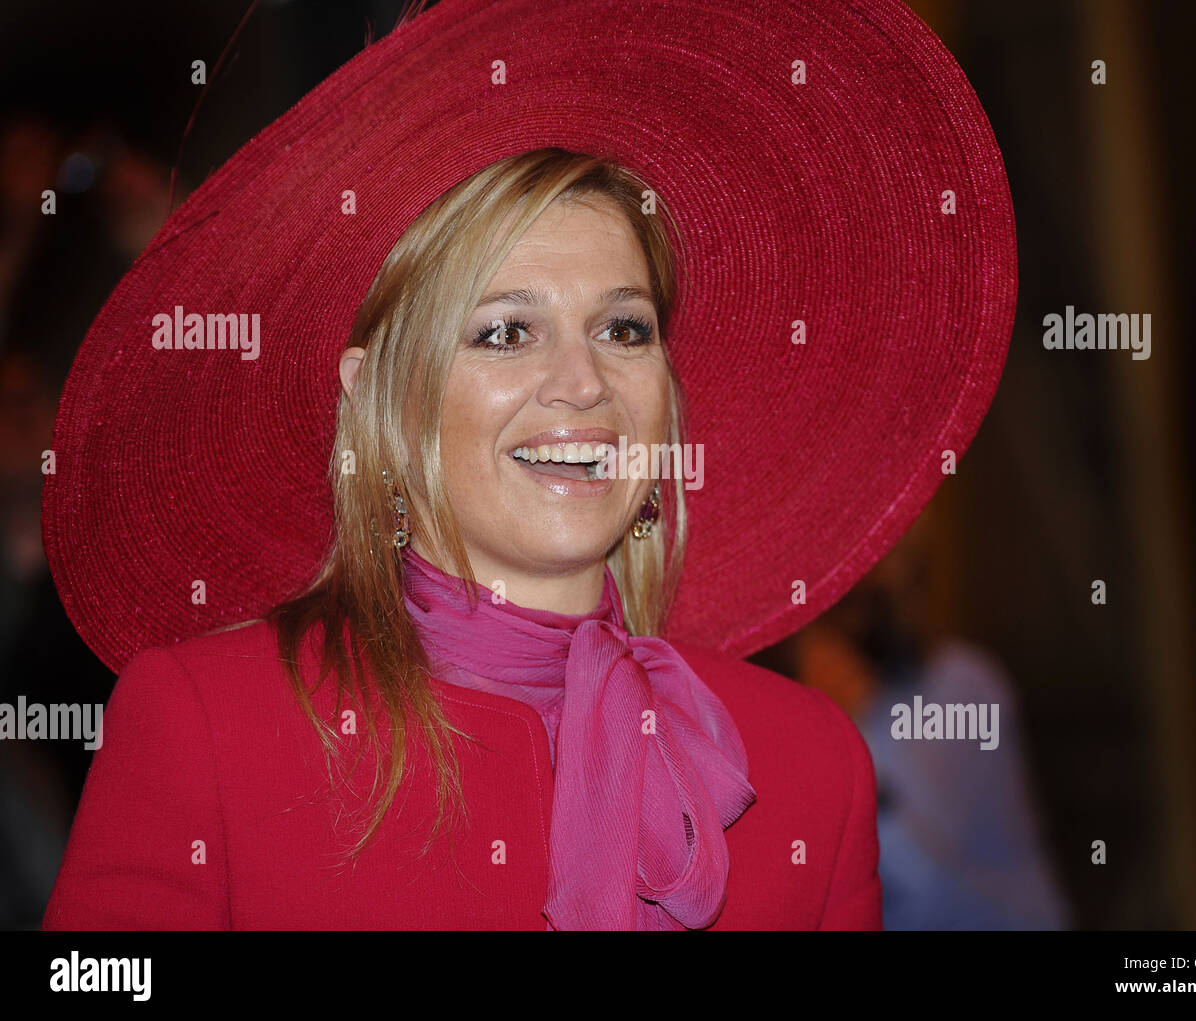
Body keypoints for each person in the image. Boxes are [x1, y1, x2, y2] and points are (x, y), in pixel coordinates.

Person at [38, 0, 1016, 930]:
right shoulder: (208, 730)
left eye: (623, 328)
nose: (582, 382)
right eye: (506, 331)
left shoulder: (807, 768)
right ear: (381, 391)